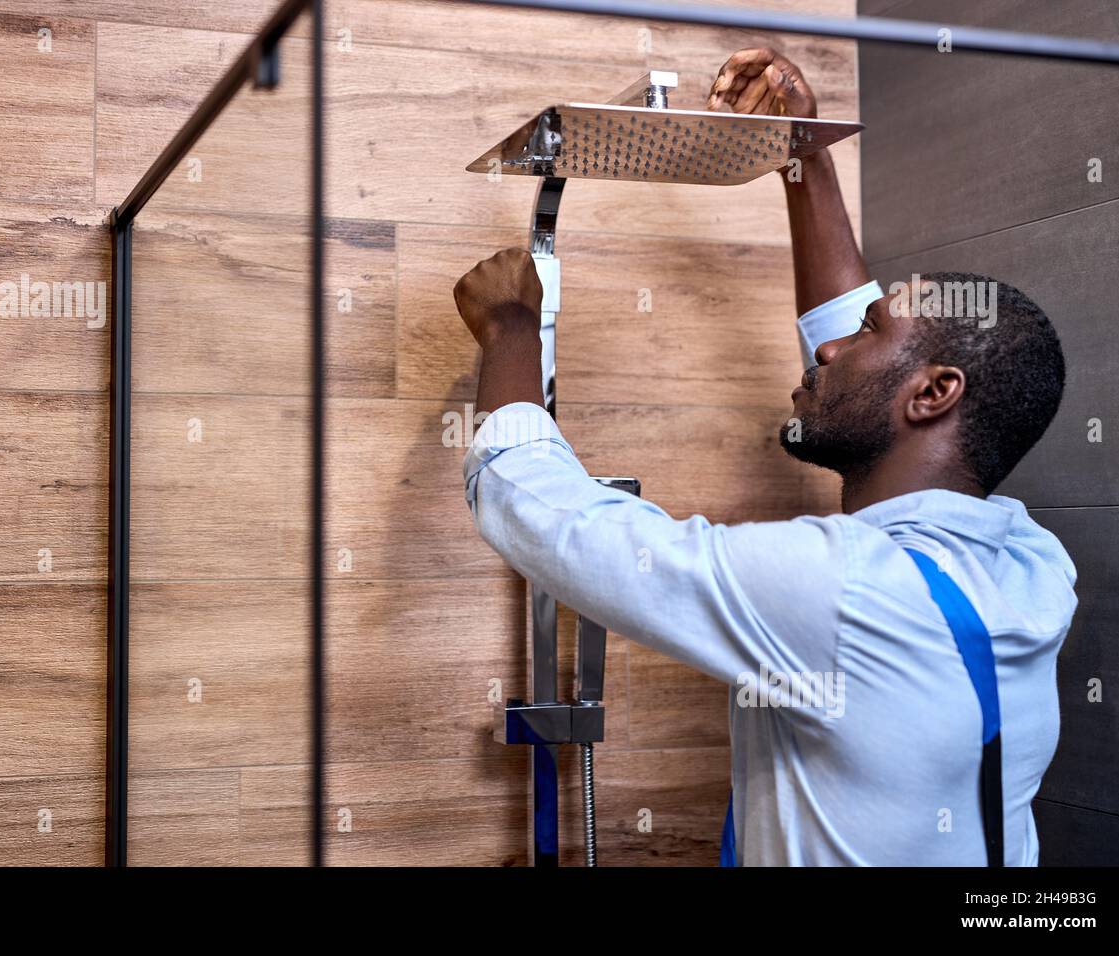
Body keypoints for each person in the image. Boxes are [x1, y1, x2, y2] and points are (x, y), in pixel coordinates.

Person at [452, 48, 1076, 866]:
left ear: (935, 395)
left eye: (869, 330)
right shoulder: (1030, 565)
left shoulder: (846, 589)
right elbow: (864, 372)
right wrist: (802, 154)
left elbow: (551, 522)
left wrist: (507, 335)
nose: (827, 351)